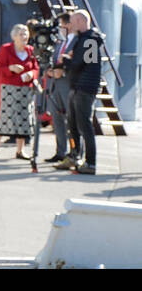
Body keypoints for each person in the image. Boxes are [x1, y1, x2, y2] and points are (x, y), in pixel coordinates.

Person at [0, 24, 39, 159]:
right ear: (15, 36)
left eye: (26, 33)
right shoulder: (6, 49)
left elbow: (36, 68)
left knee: (24, 119)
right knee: (6, 118)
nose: (25, 36)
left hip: (25, 90)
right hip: (9, 89)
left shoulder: (31, 50)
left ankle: (20, 150)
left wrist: (32, 75)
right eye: (22, 34)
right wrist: (10, 68)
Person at [64, 11, 105, 175]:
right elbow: (81, 61)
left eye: (72, 21)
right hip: (77, 86)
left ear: (81, 21)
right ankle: (75, 156)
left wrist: (66, 60)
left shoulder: (91, 40)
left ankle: (90, 162)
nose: (70, 25)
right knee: (73, 125)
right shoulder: (84, 39)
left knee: (84, 126)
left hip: (85, 88)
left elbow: (82, 63)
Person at [44, 13, 78, 165]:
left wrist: (62, 72)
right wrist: (51, 71)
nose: (59, 29)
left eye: (60, 26)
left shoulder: (78, 41)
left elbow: (79, 64)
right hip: (55, 84)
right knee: (57, 119)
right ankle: (60, 151)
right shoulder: (60, 42)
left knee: (71, 120)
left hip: (68, 84)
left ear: (68, 25)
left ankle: (74, 152)